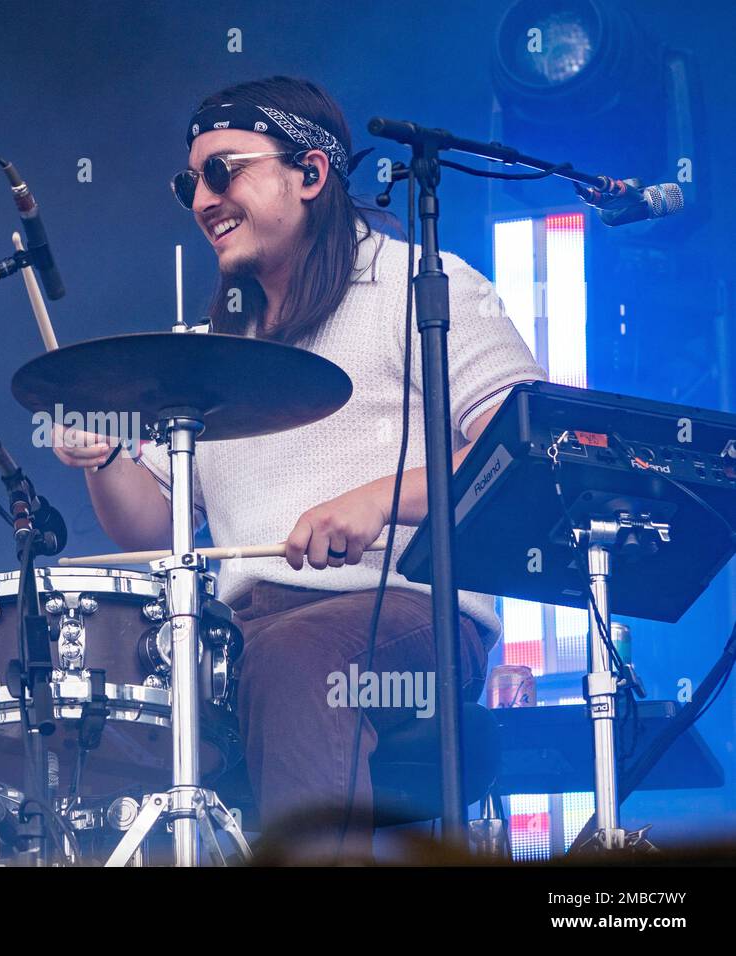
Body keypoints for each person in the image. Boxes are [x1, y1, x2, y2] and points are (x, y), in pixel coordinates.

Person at [51, 75, 545, 859]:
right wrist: (106, 453)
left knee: (293, 661)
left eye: (225, 171)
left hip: (406, 613)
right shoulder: (208, 345)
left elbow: (525, 447)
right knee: (100, 704)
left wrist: (380, 500)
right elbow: (151, 526)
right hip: (235, 634)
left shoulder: (420, 289)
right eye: (189, 182)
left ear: (312, 174)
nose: (201, 199)